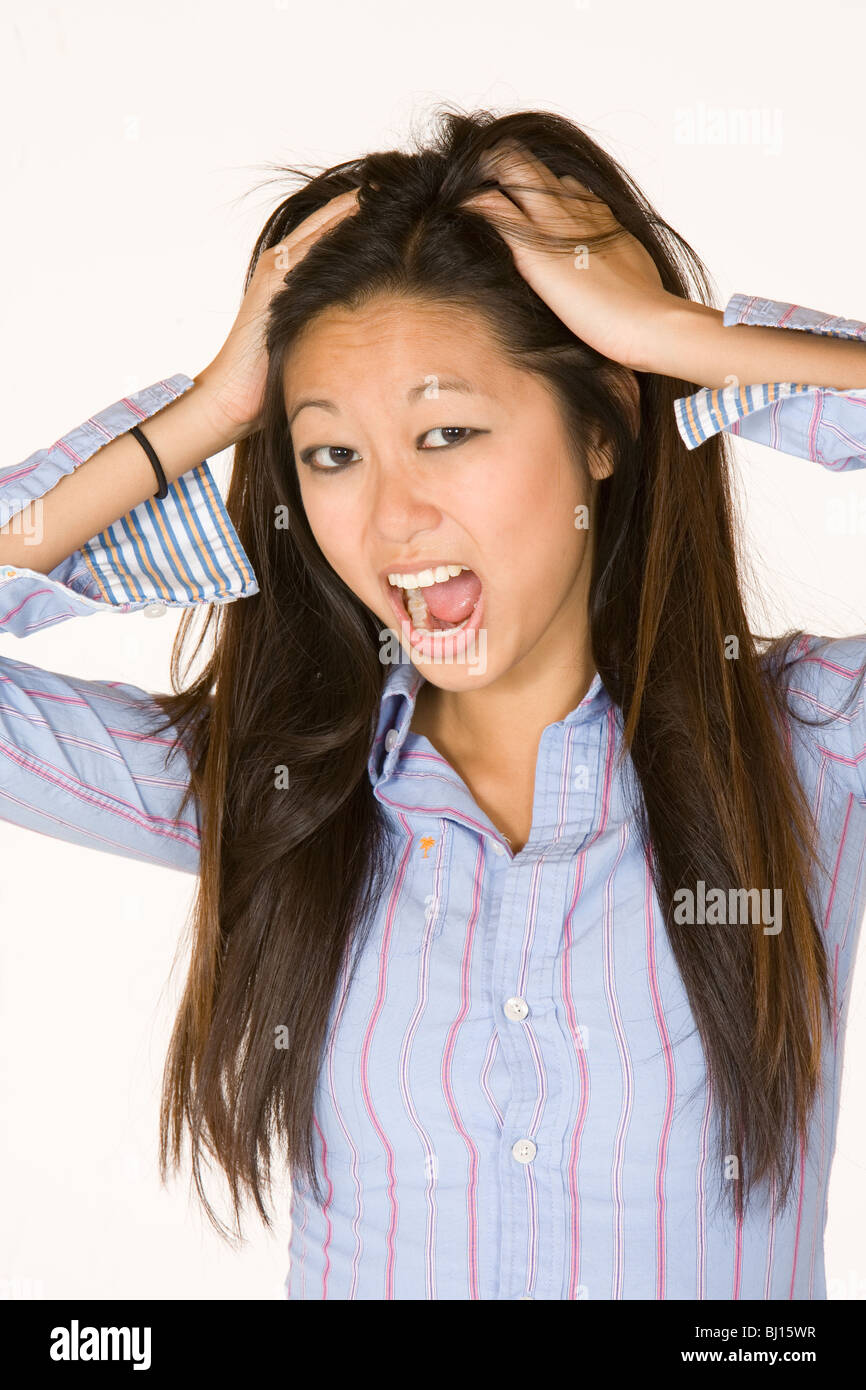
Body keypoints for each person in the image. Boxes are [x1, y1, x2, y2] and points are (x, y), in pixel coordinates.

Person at [2, 107, 865, 1301]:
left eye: (446, 430)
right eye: (330, 455)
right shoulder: (275, 787)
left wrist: (684, 343)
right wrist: (202, 414)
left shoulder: (811, 746)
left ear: (602, 424)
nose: (390, 518)